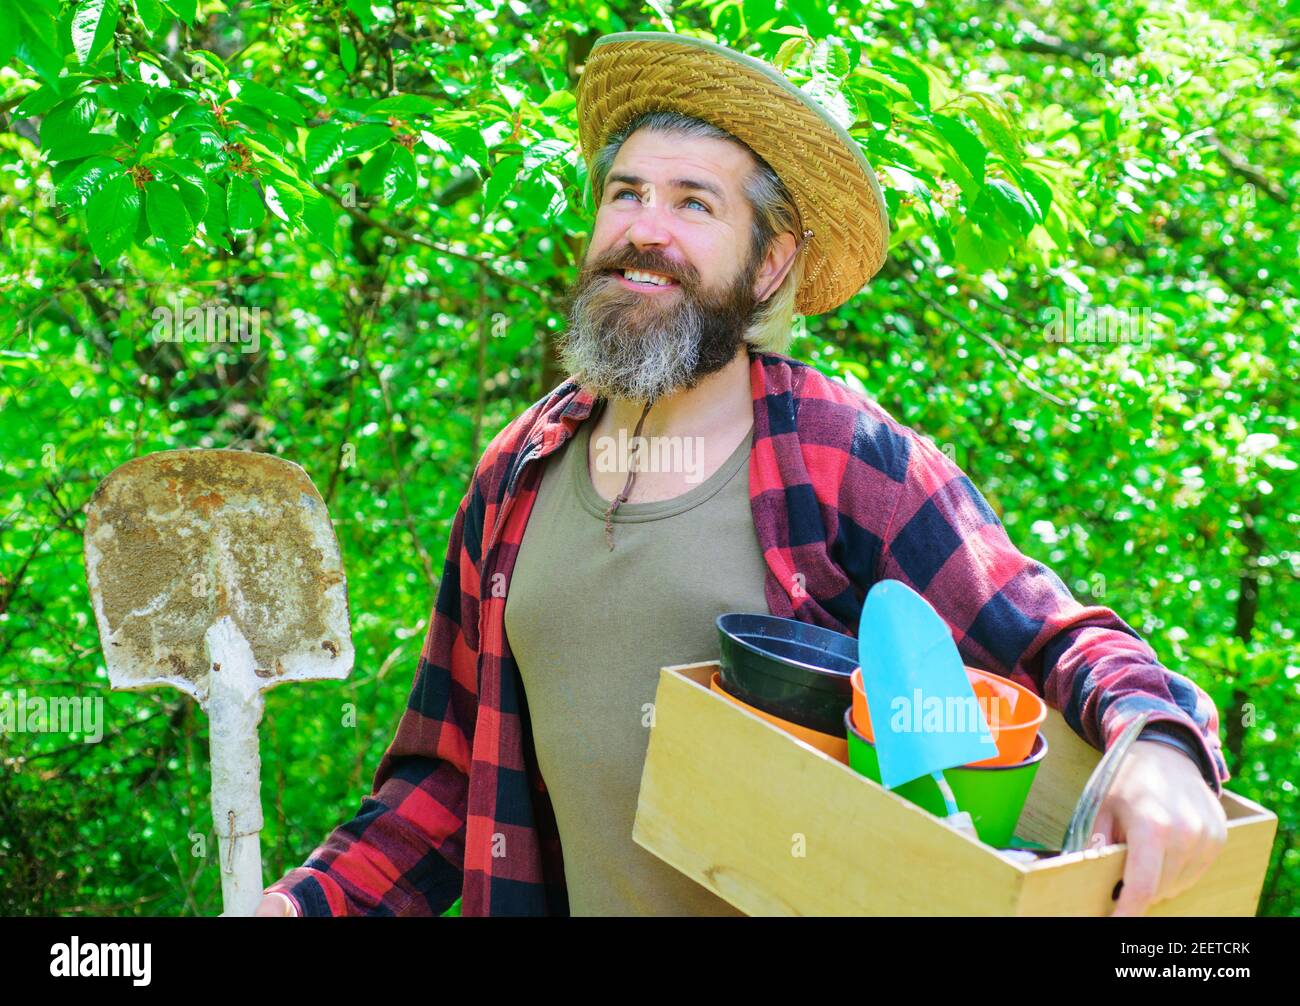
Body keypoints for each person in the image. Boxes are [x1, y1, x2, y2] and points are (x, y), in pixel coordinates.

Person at [258, 31, 1228, 918]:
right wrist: (303, 906)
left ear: (770, 266)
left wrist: (1157, 746)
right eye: (625, 193)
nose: (645, 228)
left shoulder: (842, 454)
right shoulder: (517, 471)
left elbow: (1052, 636)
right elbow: (444, 781)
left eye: (693, 204)